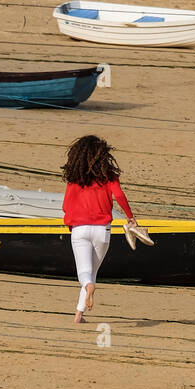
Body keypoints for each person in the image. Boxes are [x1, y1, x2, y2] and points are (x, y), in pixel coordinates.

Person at [61, 135, 138, 325]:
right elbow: (119, 195)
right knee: (92, 271)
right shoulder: (109, 176)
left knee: (84, 273)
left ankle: (87, 290)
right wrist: (130, 216)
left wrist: (71, 221)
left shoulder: (74, 178)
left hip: (80, 229)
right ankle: (79, 315)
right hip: (102, 230)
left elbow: (65, 205)